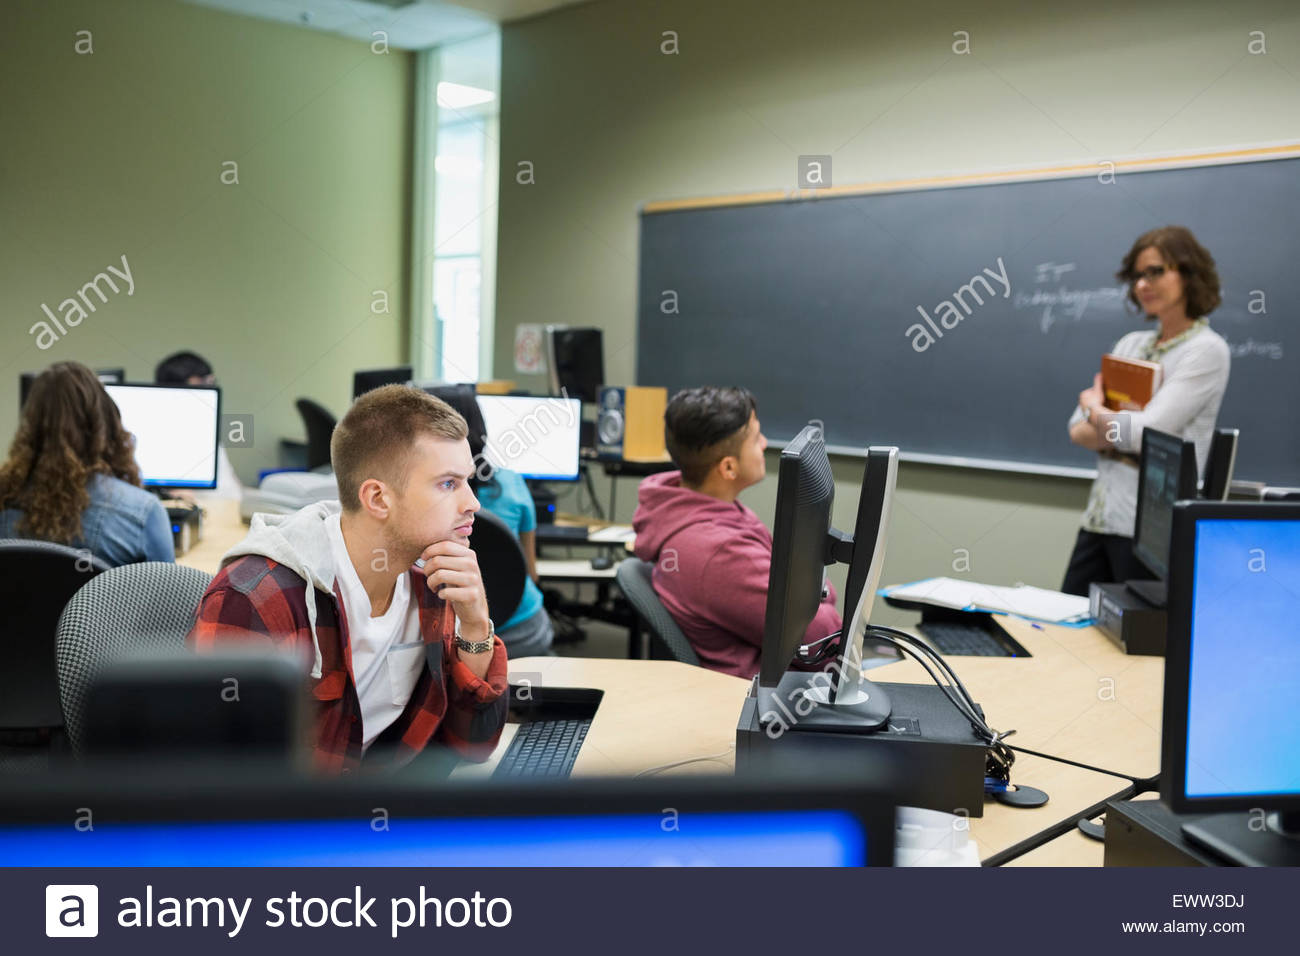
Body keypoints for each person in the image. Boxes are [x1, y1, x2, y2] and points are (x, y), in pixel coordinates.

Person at [188, 385, 508, 773]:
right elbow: (219, 783)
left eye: (468, 481)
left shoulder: (434, 583)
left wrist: (475, 626)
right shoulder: (256, 598)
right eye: (448, 484)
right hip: (295, 829)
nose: (472, 503)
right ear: (377, 499)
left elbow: (471, 745)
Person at [1061, 226, 1231, 596]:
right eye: (1137, 275)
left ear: (1189, 274)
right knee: (1064, 628)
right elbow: (1077, 430)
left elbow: (1146, 433)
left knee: (1132, 648)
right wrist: (1109, 425)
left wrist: (1094, 408)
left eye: (1155, 271)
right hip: (1102, 517)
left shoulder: (1205, 350)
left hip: (1152, 532)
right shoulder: (1131, 344)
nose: (1143, 284)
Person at [632, 386, 841, 678]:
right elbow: (822, 644)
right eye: (756, 439)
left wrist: (812, 594)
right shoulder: (719, 552)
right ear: (728, 468)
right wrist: (822, 591)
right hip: (768, 703)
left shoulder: (698, 510)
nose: (765, 444)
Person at [0, 362, 174, 566]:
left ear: (29, 426)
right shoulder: (143, 513)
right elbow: (167, 595)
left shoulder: (5, 497)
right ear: (104, 422)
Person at [437, 387, 555, 658]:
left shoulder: (420, 500)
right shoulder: (512, 482)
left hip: (448, 634)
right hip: (522, 632)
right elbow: (531, 573)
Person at [155, 350, 242, 500]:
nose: (209, 394)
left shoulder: (206, 429)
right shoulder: (161, 434)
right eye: (201, 387)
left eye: (211, 383)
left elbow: (232, 488)